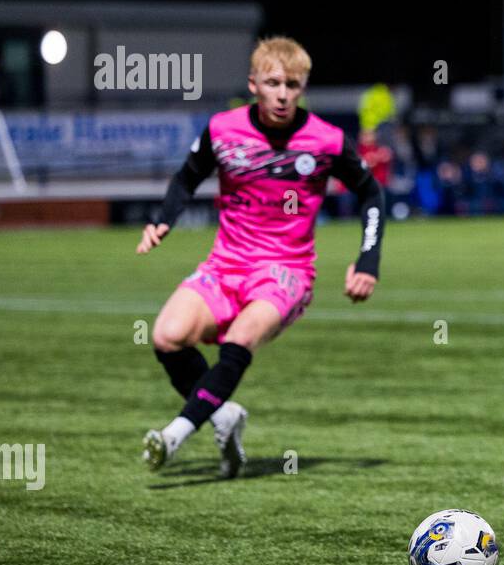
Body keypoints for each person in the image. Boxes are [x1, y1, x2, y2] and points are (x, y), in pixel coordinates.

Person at [137, 37, 386, 477]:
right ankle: (223, 415)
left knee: (240, 340)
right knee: (165, 336)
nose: (284, 93)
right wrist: (164, 219)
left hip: (285, 273)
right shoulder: (222, 129)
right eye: (274, 82)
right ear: (254, 84)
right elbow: (187, 177)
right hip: (225, 265)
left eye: (293, 84)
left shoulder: (326, 140)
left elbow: (371, 192)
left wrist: (368, 260)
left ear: (303, 87)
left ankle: (174, 434)